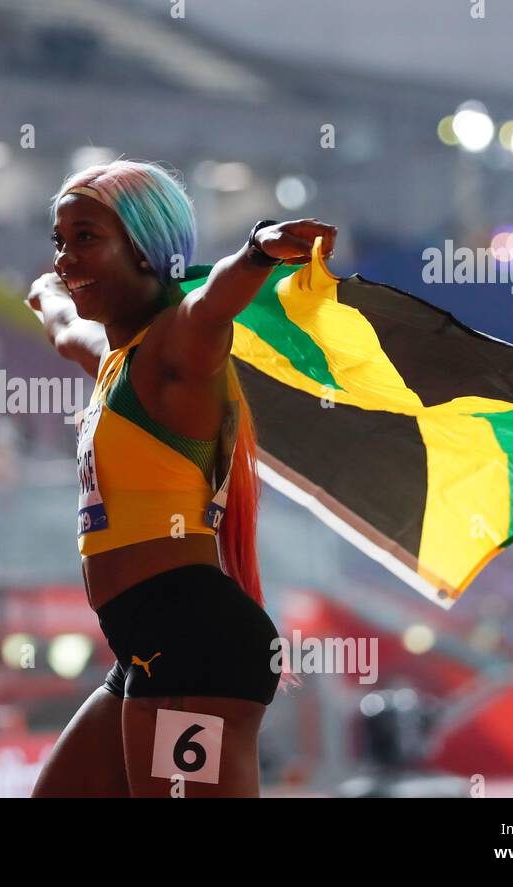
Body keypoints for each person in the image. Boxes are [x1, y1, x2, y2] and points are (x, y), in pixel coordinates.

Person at [25, 160, 335, 797]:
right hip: (152, 647)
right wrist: (48, 291)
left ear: (146, 252)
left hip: (195, 647)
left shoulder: (177, 351)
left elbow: (211, 306)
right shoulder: (121, 362)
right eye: (59, 240)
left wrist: (255, 254)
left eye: (86, 238)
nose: (66, 255)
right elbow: (62, 329)